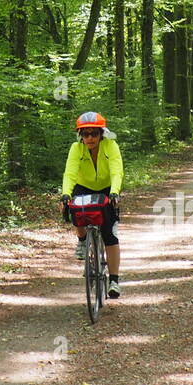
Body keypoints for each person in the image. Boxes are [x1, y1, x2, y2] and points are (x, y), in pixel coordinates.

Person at [60, 111, 123, 298]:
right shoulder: (75, 148)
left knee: (109, 235)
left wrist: (115, 191)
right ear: (80, 135)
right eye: (85, 134)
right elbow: (70, 173)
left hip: (106, 188)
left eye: (94, 133)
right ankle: (82, 241)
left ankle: (114, 281)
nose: (89, 138)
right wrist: (65, 194)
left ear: (101, 133)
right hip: (83, 186)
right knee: (74, 210)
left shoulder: (111, 146)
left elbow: (116, 170)